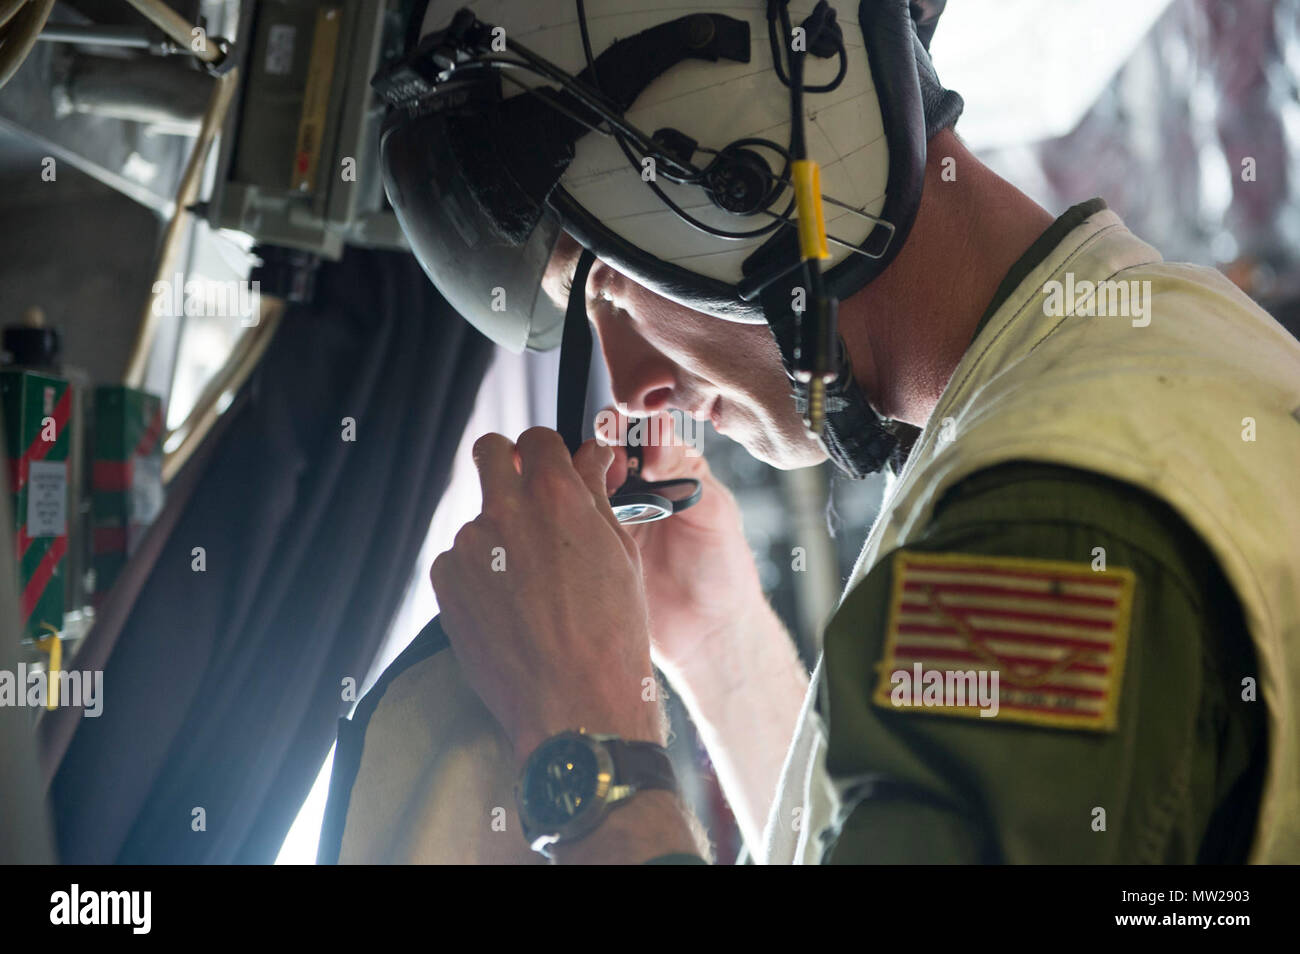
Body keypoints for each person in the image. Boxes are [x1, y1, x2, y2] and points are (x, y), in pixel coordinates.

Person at [324, 0, 1300, 863]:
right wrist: (719, 642)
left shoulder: (1053, 531)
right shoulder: (1124, 366)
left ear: (741, 165)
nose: (638, 385)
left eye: (616, 295)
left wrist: (585, 751)